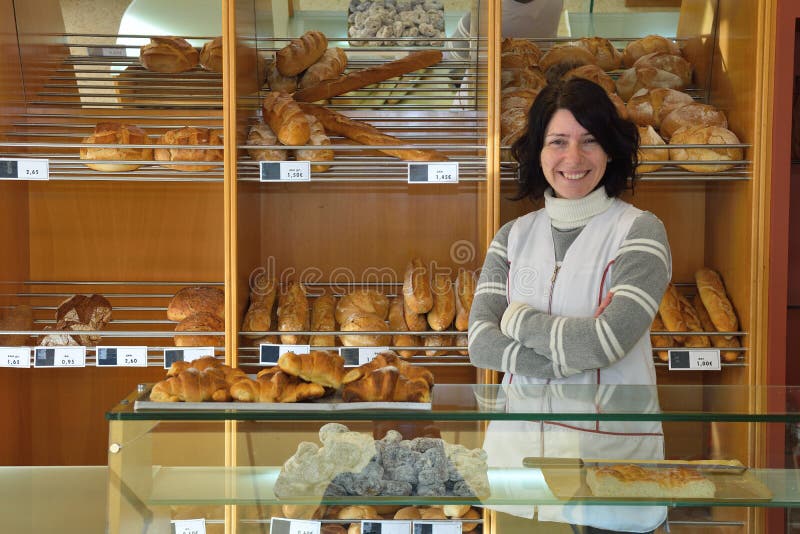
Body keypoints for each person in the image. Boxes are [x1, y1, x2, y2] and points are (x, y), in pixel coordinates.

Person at [468, 78, 672, 533]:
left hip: (610, 474)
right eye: (557, 141)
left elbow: (605, 342)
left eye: (589, 141)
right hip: (515, 475)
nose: (573, 158)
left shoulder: (641, 233)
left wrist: (516, 318)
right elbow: (481, 343)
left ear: (611, 150)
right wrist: (568, 353)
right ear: (538, 152)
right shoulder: (513, 237)